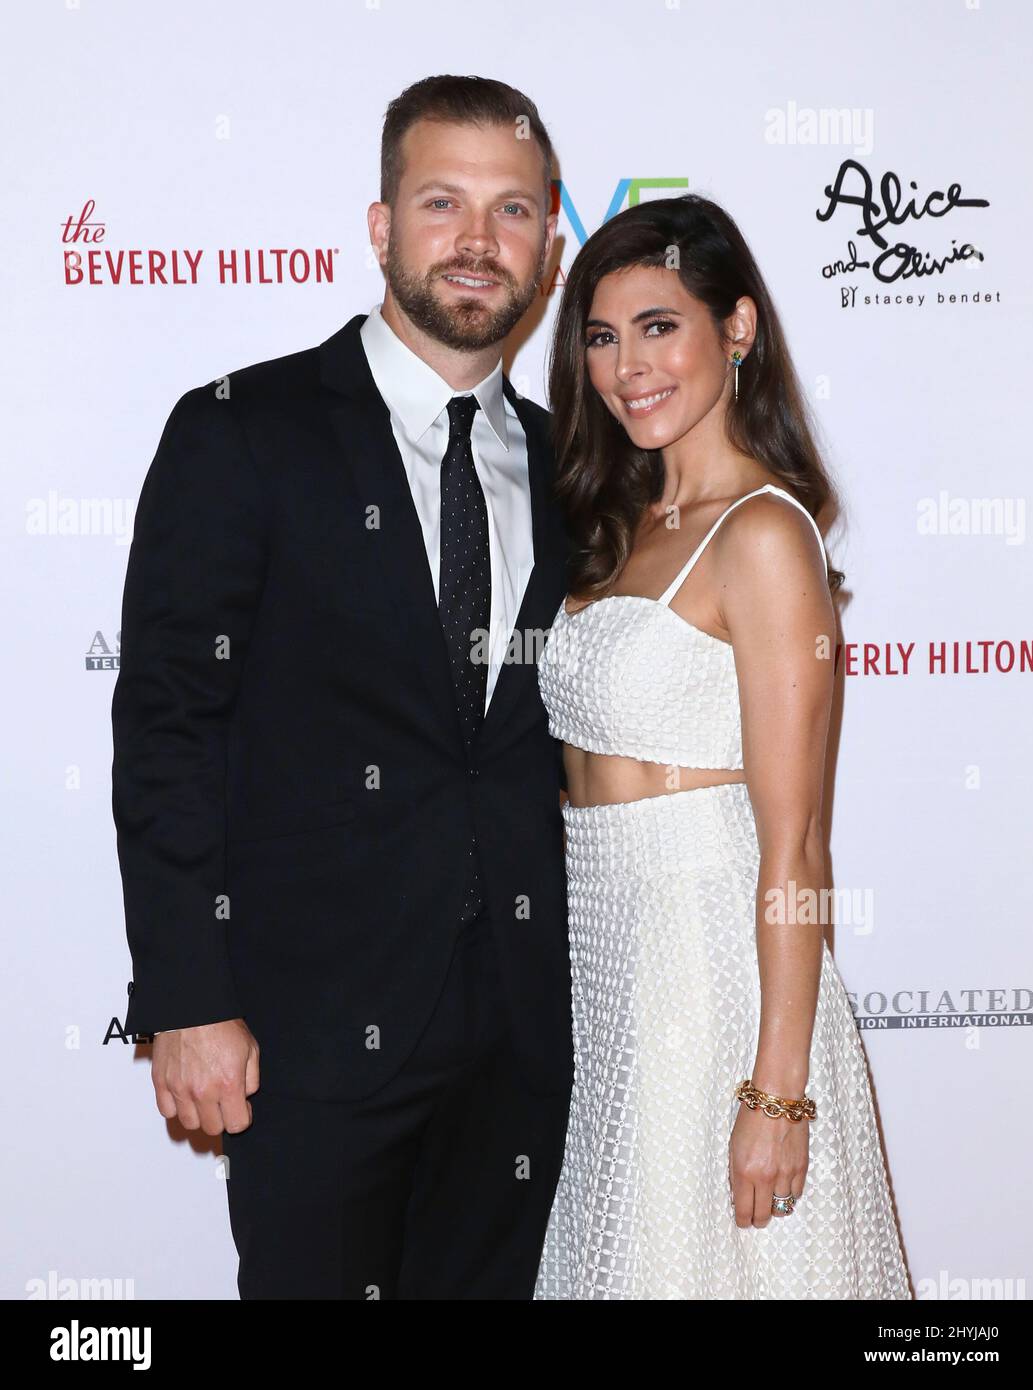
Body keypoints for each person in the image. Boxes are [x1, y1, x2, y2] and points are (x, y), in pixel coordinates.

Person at [111, 74, 575, 1300]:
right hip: (307, 1036)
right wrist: (186, 998)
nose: (477, 242)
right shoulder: (241, 430)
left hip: (524, 1039)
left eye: (512, 211)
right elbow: (167, 726)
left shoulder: (572, 467)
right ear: (380, 229)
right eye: (442, 203)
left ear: (549, 244)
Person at [532, 193, 912, 1299]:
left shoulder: (761, 534)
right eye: (600, 336)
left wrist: (778, 1089)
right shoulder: (618, 522)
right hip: (611, 978)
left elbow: (794, 848)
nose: (624, 367)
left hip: (715, 985)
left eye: (658, 325)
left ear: (734, 329)